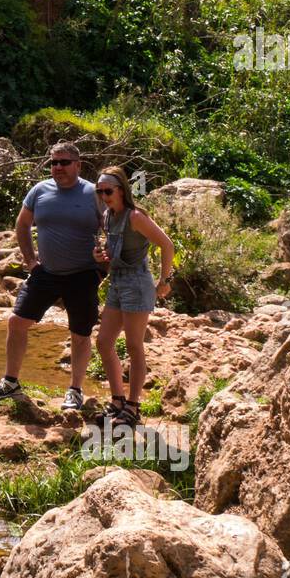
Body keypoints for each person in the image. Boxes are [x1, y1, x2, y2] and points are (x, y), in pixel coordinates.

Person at [0, 142, 102, 412]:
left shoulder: (94, 193)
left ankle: (74, 390)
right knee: (16, 321)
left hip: (83, 274)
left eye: (64, 162)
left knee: (80, 333)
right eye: (53, 162)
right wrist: (30, 260)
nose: (58, 167)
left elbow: (113, 226)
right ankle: (11, 381)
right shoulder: (39, 190)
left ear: (78, 165)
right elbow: (22, 223)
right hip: (45, 272)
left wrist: (103, 267)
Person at [92, 166, 175, 427]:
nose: (104, 195)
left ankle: (133, 406)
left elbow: (166, 244)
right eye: (100, 191)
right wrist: (101, 257)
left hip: (137, 283)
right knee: (104, 343)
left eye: (108, 190)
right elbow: (112, 250)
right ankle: (117, 400)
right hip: (116, 282)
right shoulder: (108, 216)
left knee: (134, 346)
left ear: (121, 190)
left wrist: (165, 280)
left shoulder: (135, 217)